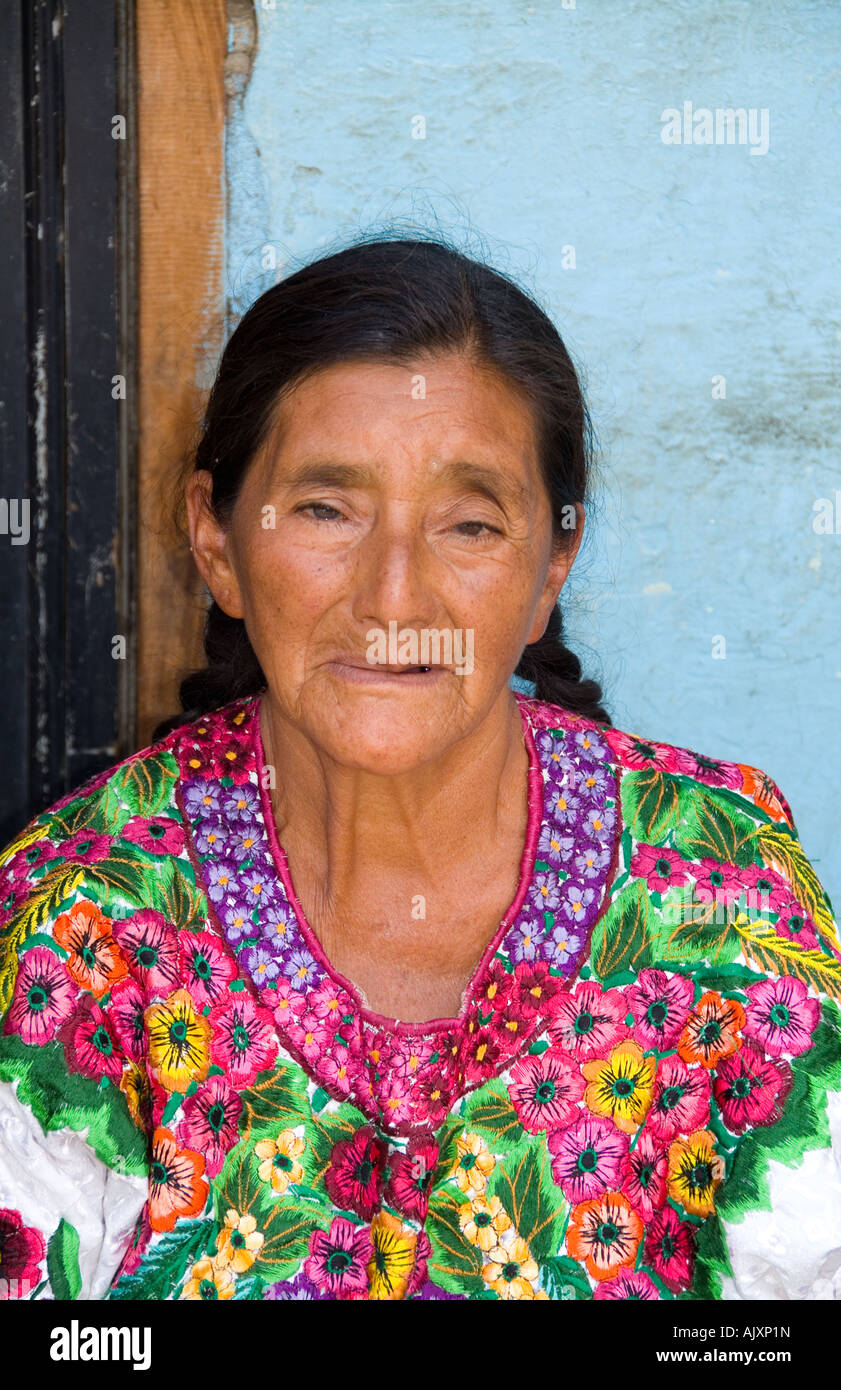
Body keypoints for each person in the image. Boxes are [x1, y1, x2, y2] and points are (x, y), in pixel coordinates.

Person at [1, 237, 839, 1302]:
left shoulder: (717, 882)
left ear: (550, 567)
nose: (393, 597)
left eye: (469, 524)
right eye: (326, 509)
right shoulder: (87, 919)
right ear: (216, 540)